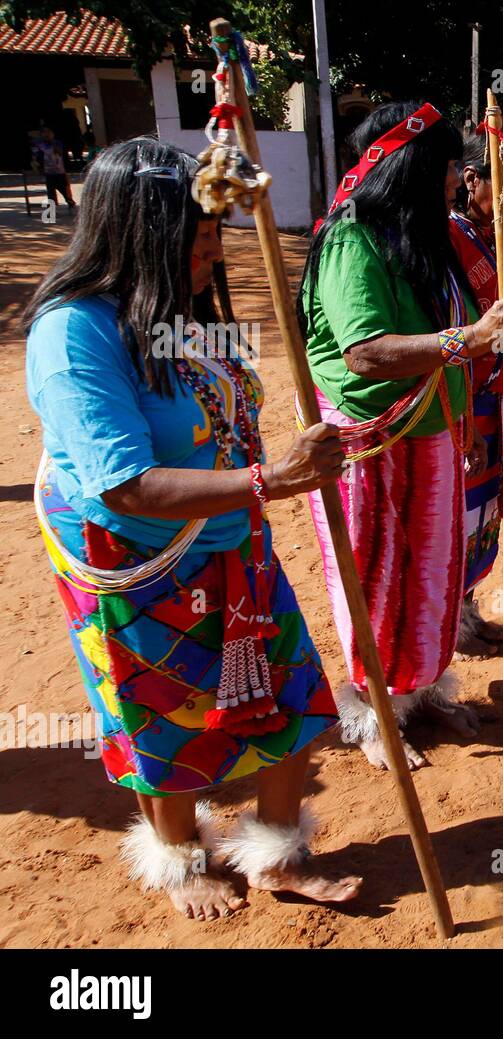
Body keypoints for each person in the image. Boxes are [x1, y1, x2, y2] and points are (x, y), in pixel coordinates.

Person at [25, 137, 360, 920]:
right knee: (165, 730)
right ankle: (179, 861)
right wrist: (269, 479)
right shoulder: (73, 334)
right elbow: (127, 484)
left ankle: (279, 849)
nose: (213, 254)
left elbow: (224, 412)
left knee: (296, 700)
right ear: (142, 239)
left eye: (214, 237)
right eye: (198, 241)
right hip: (139, 567)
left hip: (236, 551)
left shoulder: (177, 313)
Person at [299, 101, 503, 767]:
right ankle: (374, 711)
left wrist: (497, 340)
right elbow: (366, 350)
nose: (456, 181)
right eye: (446, 169)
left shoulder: (418, 237)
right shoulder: (352, 238)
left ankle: (422, 687)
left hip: (431, 435)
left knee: (430, 576)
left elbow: (453, 332)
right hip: (370, 447)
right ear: (411, 170)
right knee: (375, 582)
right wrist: (472, 339)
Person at [448, 144, 503, 656]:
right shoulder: (450, 235)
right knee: (456, 511)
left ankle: (468, 614)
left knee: (481, 511)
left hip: (490, 393)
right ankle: (449, 626)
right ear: (471, 179)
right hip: (461, 396)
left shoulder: (484, 236)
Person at [32, 126, 76, 209]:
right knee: (51, 190)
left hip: (60, 171)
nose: (47, 134)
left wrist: (52, 143)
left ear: (53, 134)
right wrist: (38, 167)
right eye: (44, 132)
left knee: (63, 188)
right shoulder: (40, 146)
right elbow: (37, 157)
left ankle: (69, 200)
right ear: (41, 134)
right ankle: (52, 206)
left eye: (49, 132)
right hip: (48, 172)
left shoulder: (57, 143)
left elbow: (60, 153)